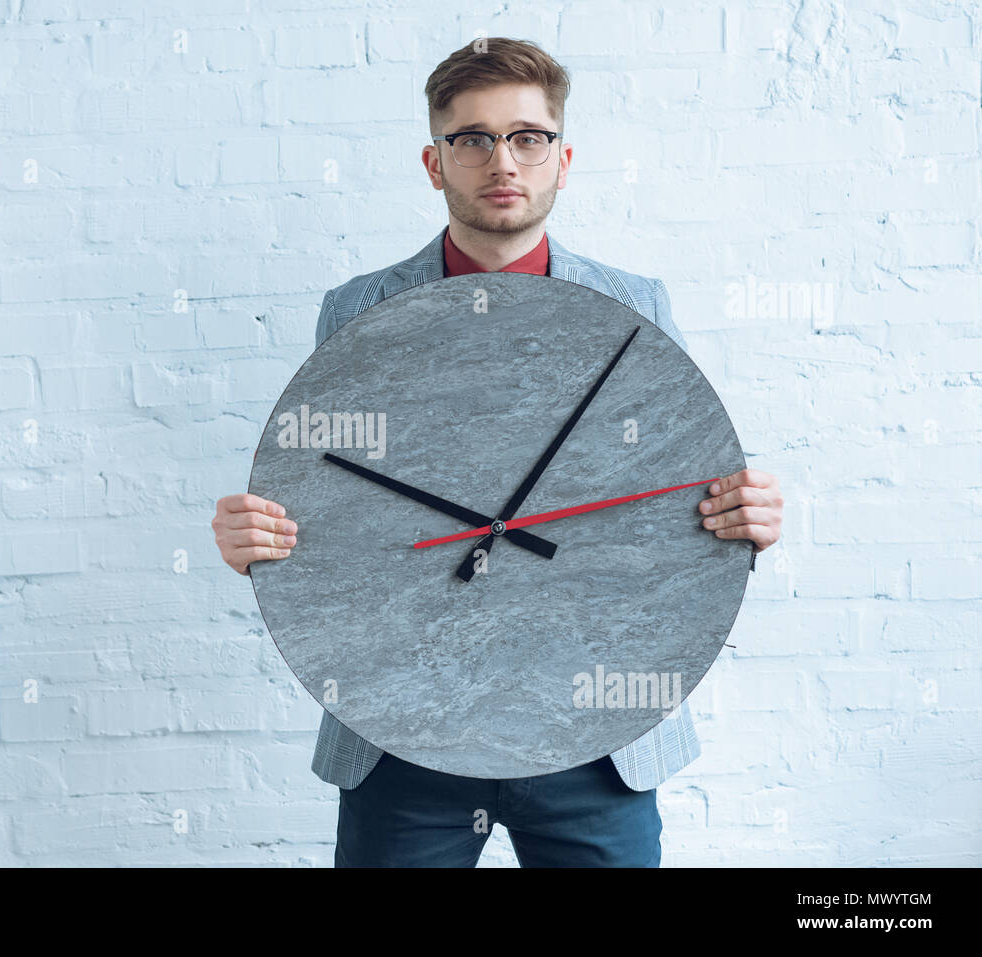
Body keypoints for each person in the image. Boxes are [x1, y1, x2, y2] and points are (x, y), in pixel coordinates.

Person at [211, 37, 784, 866]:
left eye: (527, 136)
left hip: (594, 731)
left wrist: (745, 521)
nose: (501, 160)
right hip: (405, 728)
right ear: (433, 160)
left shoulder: (637, 305)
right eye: (472, 138)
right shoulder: (356, 311)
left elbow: (671, 494)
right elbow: (338, 505)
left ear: (563, 157)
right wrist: (261, 542)